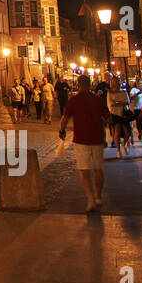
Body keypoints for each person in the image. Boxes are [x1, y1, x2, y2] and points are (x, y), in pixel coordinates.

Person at [58, 74, 112, 212]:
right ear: (90, 84)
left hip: (81, 138)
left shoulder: (74, 100)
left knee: (84, 170)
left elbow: (64, 119)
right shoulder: (98, 100)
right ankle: (99, 196)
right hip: (97, 137)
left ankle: (90, 198)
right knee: (98, 169)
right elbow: (108, 118)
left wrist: (62, 131)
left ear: (78, 84)